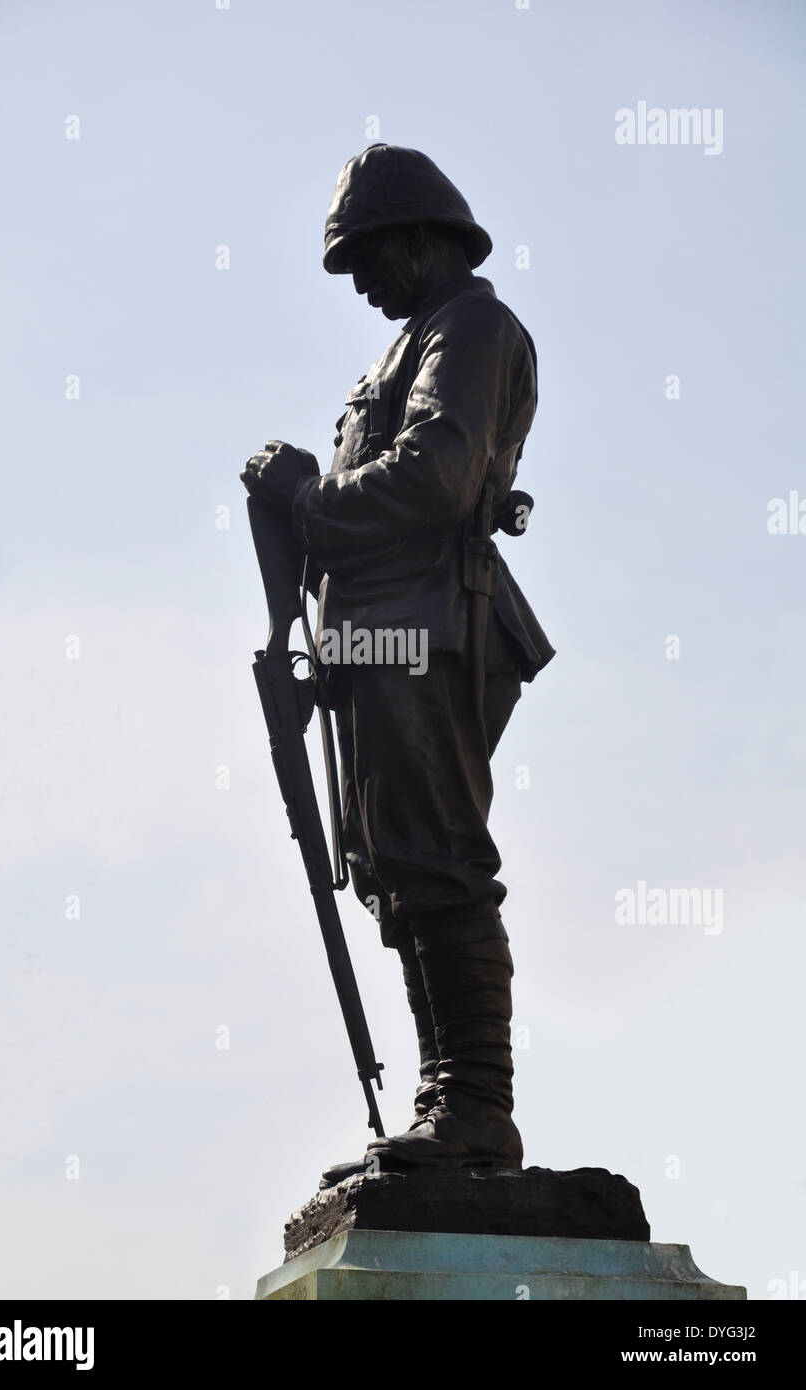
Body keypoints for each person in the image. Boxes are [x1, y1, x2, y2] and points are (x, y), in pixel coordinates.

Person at [241, 144, 554, 1175]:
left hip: (428, 630)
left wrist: (303, 499)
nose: (362, 284)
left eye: (370, 258)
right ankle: (443, 1108)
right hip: (375, 642)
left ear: (425, 239)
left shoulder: (469, 327)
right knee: (397, 876)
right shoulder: (408, 344)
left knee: (437, 861)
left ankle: (474, 1108)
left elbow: (434, 476)